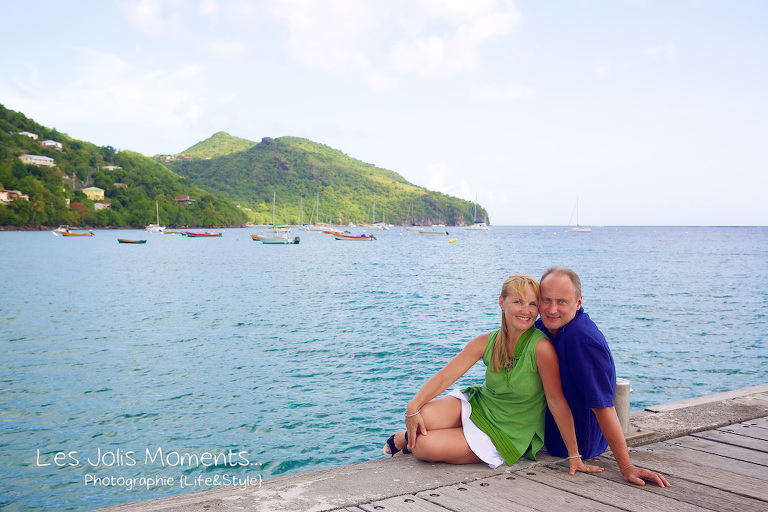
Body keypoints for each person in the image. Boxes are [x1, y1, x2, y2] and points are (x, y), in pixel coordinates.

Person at [383, 274, 603, 476]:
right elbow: (446, 376)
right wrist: (412, 407)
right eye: (518, 302)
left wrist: (574, 455)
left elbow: (556, 402)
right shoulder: (486, 341)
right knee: (424, 414)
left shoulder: (541, 348)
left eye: (532, 304)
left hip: (508, 430)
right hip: (480, 405)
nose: (526, 310)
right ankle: (415, 435)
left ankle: (408, 440)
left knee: (423, 447)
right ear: (502, 303)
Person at [535, 266, 670, 487]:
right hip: (551, 432)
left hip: (573, 446)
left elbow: (604, 406)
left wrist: (626, 467)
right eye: (546, 300)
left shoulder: (581, 340)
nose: (552, 309)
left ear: (578, 302)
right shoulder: (544, 327)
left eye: (562, 301)